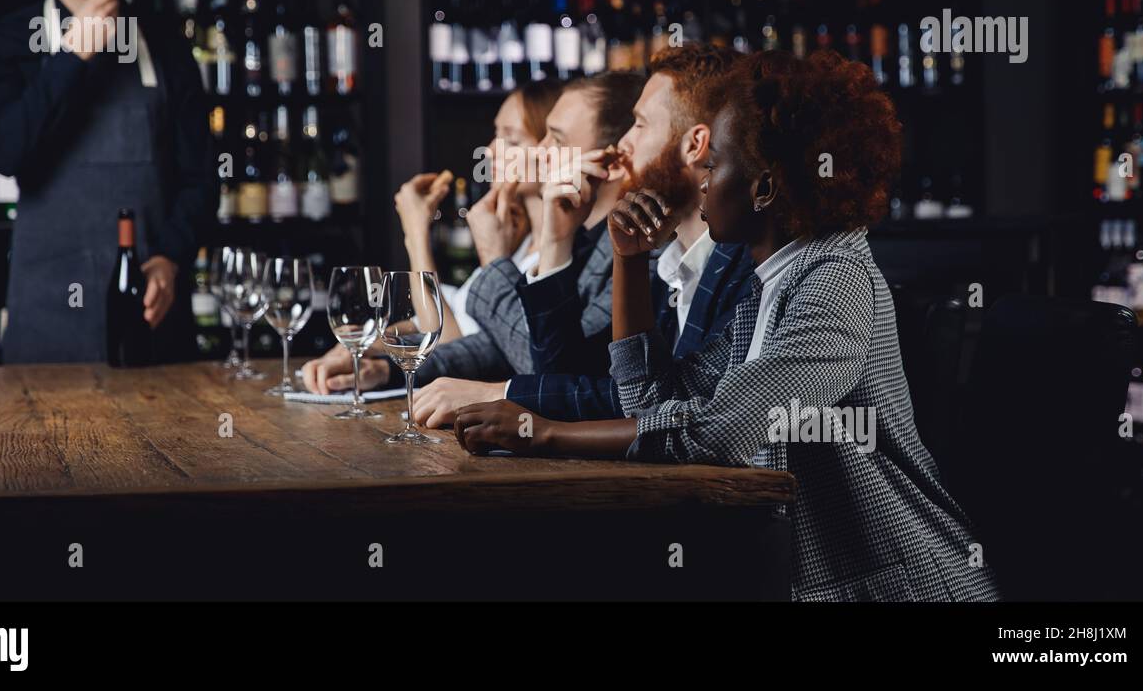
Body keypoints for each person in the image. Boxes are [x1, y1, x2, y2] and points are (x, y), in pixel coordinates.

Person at [452, 49, 1001, 602]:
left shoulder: (837, 278)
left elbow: (727, 429)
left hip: (895, 588)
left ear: (763, 187)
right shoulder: (768, 287)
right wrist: (629, 260)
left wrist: (546, 433)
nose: (698, 176)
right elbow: (654, 401)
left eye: (713, 165)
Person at [412, 44, 755, 426]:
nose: (625, 144)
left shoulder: (725, 260)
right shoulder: (664, 253)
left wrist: (503, 395)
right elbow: (598, 378)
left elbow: (651, 402)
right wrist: (396, 365)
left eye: (639, 125)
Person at [0, 0, 217, 364]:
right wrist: (70, 56)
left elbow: (202, 180)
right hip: (48, 320)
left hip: (154, 324)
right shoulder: (6, 42)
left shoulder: (165, 45)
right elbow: (8, 152)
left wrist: (171, 257)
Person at [303, 71, 642, 396]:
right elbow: (489, 347)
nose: (539, 152)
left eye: (555, 139)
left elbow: (551, 371)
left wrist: (484, 255)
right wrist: (385, 368)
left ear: (612, 161)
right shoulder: (579, 240)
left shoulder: (630, 252)